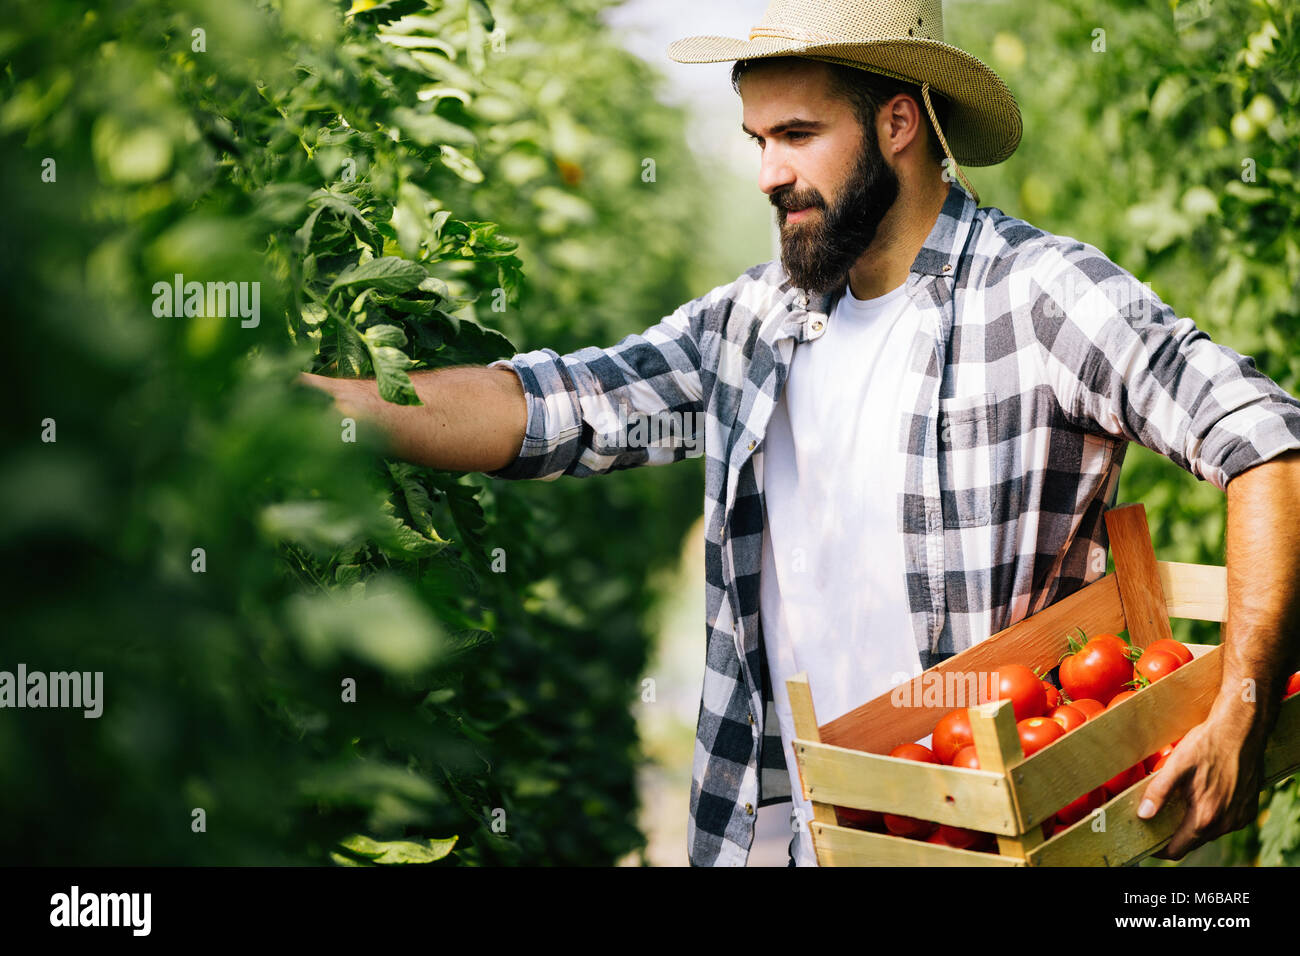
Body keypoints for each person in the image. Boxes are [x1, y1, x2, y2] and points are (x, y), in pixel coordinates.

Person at [301, 0, 1300, 867]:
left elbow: (1265, 442)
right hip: (770, 831)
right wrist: (328, 408)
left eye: (797, 134)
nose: (768, 172)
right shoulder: (754, 322)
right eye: (756, 139)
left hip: (978, 829)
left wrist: (1244, 702)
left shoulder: (1037, 296)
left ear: (898, 122)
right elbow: (556, 405)